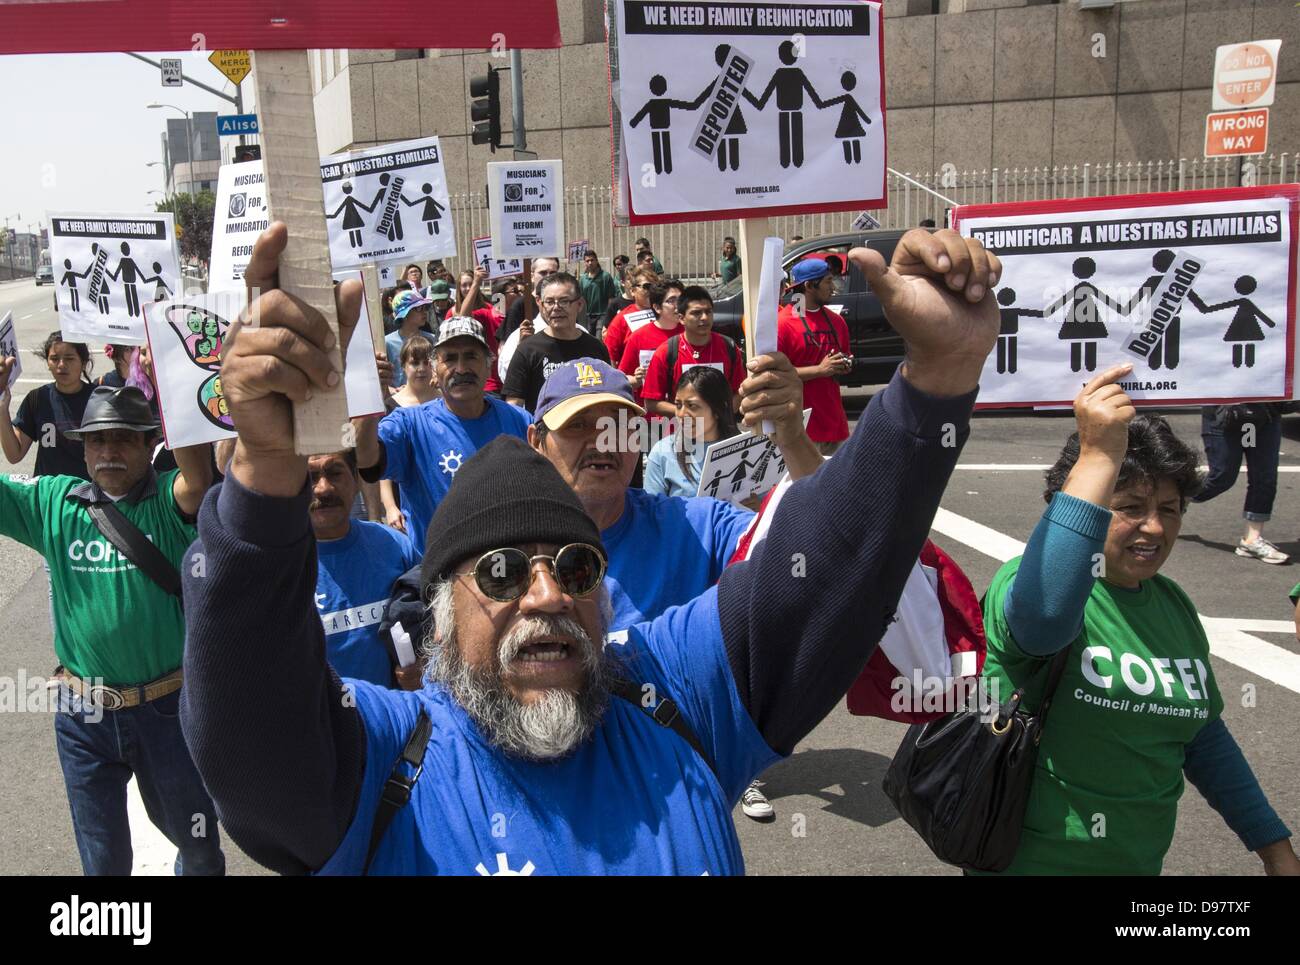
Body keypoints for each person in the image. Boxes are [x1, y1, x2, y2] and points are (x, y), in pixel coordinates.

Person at [179, 220, 1003, 875]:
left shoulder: (672, 691)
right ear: (439, 610)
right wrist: (260, 474)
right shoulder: (389, 758)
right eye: (501, 571)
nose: (547, 595)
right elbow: (249, 720)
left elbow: (824, 564)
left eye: (576, 567)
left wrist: (936, 378)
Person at [978, 363, 1299, 875]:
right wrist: (1098, 454)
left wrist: (1274, 848)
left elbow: (1202, 737)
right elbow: (1044, 618)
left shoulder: (1171, 605)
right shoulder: (1029, 582)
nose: (1154, 527)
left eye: (1169, 509)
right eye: (1128, 506)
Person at [0, 382, 224, 876]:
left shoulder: (171, 501)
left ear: (150, 446)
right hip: (84, 717)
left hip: (168, 714)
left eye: (124, 439)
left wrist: (179, 379)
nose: (108, 452)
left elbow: (198, 477)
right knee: (102, 863)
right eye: (97, 441)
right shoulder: (54, 502)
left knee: (200, 846)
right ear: (83, 450)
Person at [358, 315, 530, 555]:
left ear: (489, 363)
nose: (461, 369)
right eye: (450, 358)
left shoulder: (520, 421)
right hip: (440, 578)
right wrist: (368, 399)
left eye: (471, 356)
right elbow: (365, 460)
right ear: (434, 369)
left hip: (510, 569)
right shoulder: (410, 426)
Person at [309, 448, 420, 687]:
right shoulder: (275, 566)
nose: (323, 488)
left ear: (357, 481)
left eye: (335, 473)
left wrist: (423, 664)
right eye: (311, 478)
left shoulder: (396, 546)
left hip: (395, 720)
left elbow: (435, 625)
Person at [1191, 403, 1288, 563]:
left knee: (1264, 478)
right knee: (1222, 477)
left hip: (1266, 412)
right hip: (1224, 412)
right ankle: (1178, 500)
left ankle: (1252, 540)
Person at [504, 273, 610, 414]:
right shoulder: (527, 349)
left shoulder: (596, 348)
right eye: (549, 302)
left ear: (579, 305)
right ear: (541, 305)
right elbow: (514, 405)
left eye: (564, 301)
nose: (556, 307)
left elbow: (609, 394)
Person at [779, 258, 853, 454]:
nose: (833, 287)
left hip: (835, 425)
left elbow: (845, 357)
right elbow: (776, 375)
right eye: (828, 281)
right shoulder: (783, 324)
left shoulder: (837, 321)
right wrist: (820, 370)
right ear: (809, 286)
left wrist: (844, 365)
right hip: (800, 431)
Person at [0, 331, 96, 479]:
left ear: (83, 363)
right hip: (46, 497)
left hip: (87, 496)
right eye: (54, 359)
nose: (61, 365)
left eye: (69, 358)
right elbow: (14, 455)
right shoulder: (37, 398)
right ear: (48, 363)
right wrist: (2, 411)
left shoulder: (99, 399)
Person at [641, 286, 745, 419]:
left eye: (708, 312)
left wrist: (720, 413)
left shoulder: (728, 347)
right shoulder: (666, 351)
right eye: (696, 313)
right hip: (683, 433)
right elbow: (651, 402)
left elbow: (740, 391)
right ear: (681, 318)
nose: (704, 318)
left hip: (722, 434)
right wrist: (687, 412)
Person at [644, 366, 736, 499]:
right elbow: (651, 512)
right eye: (678, 405)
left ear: (718, 410)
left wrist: (757, 505)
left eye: (692, 406)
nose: (681, 414)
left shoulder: (747, 447)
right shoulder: (662, 452)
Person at [618, 279, 682, 413]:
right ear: (657, 307)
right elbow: (622, 379)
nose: (678, 305)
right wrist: (637, 379)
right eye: (671, 301)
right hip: (650, 419)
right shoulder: (639, 337)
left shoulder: (690, 333)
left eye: (681, 299)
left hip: (688, 417)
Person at [602, 265, 659, 367]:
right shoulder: (622, 319)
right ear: (633, 291)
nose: (651, 291)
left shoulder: (665, 314)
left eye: (655, 287)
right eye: (646, 287)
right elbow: (610, 355)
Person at [497, 257, 559, 344]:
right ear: (532, 276)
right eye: (543, 273)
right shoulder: (520, 305)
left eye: (553, 273)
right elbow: (504, 347)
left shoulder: (564, 304)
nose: (548, 277)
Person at [384, 289, 435, 390]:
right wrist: (393, 390)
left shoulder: (432, 339)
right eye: (419, 308)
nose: (425, 312)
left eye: (425, 308)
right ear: (405, 314)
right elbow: (382, 377)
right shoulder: (387, 343)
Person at [578, 250, 619, 328]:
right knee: (589, 339)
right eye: (587, 261)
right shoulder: (583, 279)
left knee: (599, 338)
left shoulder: (606, 276)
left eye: (592, 260)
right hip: (588, 316)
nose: (590, 263)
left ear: (597, 261)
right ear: (585, 263)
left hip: (603, 315)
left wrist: (609, 314)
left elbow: (611, 298)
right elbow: (581, 299)